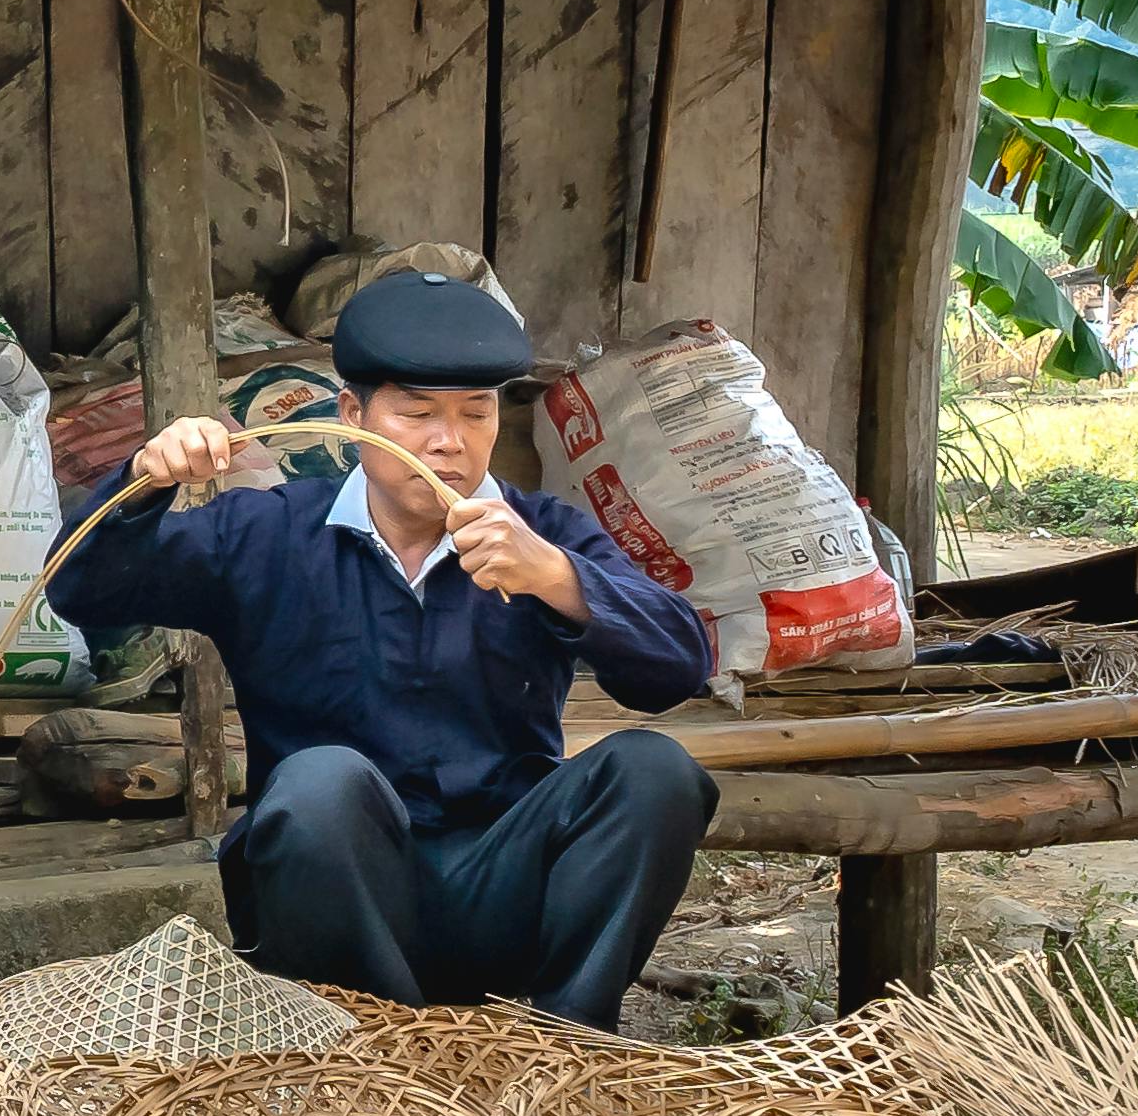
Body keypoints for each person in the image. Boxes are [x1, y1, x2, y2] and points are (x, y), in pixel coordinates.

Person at [46, 268, 718, 1026]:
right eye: (418, 412)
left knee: (654, 771)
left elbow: (681, 663)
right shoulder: (268, 533)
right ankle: (377, 1058)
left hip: (504, 889)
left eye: (476, 413)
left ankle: (567, 1048)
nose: (450, 441)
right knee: (319, 785)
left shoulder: (541, 536)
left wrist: (559, 579)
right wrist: (144, 479)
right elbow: (79, 588)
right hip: (333, 903)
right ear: (351, 413)